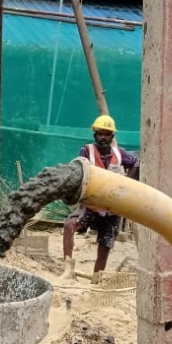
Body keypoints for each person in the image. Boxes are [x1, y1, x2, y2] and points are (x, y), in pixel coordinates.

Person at [60, 114, 140, 283]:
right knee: (69, 225)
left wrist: (127, 183)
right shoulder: (86, 151)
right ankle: (68, 268)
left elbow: (136, 163)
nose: (103, 137)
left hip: (112, 208)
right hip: (91, 204)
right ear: (94, 134)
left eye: (107, 134)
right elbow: (80, 168)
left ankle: (96, 280)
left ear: (112, 136)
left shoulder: (120, 154)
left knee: (105, 245)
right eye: (100, 134)